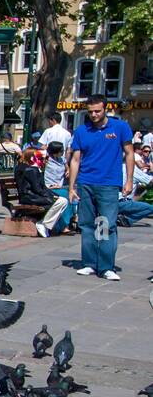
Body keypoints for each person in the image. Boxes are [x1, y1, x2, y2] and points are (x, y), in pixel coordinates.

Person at [68, 93, 133, 280]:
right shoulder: (82, 131)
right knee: (87, 224)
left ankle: (106, 266)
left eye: (97, 111)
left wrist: (129, 180)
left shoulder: (120, 127)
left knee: (106, 224)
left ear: (105, 109)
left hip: (109, 183)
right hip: (86, 182)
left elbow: (129, 153)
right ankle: (89, 263)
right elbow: (75, 159)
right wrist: (72, 187)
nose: (94, 115)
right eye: (90, 112)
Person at [14, 148, 70, 238]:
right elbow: (37, 189)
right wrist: (52, 197)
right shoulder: (31, 169)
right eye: (42, 158)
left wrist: (53, 195)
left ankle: (45, 224)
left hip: (33, 196)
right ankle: (43, 224)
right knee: (61, 201)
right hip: (30, 198)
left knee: (62, 200)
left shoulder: (32, 168)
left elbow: (40, 188)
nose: (45, 161)